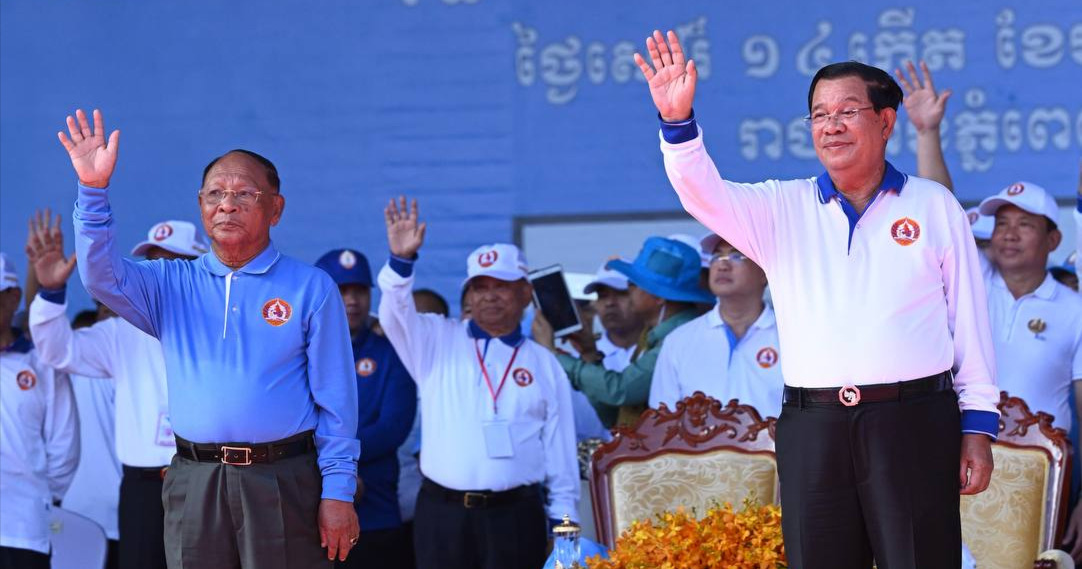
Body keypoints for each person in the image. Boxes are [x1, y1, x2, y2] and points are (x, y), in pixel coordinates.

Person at [635, 31, 997, 568]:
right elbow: (702, 195)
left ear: (886, 121)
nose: (831, 125)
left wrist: (978, 427)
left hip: (915, 420)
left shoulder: (930, 205)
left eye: (848, 110)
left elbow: (970, 320)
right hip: (814, 425)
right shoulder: (782, 206)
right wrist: (678, 124)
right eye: (819, 114)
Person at [57, 108, 360, 567]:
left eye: (244, 193)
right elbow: (101, 278)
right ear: (200, 205)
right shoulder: (171, 283)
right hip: (195, 478)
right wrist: (93, 191)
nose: (227, 204)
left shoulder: (309, 287)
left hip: (281, 477)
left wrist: (338, 491)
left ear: (275, 208)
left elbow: (337, 402)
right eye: (215, 193)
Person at [377, 197, 578, 569]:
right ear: (468, 294)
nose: (489, 294)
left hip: (517, 516)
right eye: (479, 286)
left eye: (501, 285)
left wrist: (564, 529)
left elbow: (561, 456)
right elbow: (394, 315)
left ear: (525, 293)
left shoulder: (545, 364)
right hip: (443, 515)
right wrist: (401, 262)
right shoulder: (435, 340)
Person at [27, 212, 207, 569]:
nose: (161, 272)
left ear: (198, 268)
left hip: (206, 478)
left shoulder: (222, 324)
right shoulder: (122, 332)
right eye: (153, 263)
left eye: (173, 263)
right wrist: (50, 292)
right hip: (143, 487)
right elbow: (57, 349)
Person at [535, 237, 712, 427]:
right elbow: (617, 419)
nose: (629, 288)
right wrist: (589, 354)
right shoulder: (652, 337)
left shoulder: (683, 335)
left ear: (659, 296)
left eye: (634, 283)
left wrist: (552, 354)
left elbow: (621, 391)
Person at [314, 248, 418, 568]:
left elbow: (393, 427)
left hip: (375, 513)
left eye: (359, 290)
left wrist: (338, 464)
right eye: (341, 291)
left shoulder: (391, 353)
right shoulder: (298, 351)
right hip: (309, 509)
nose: (352, 300)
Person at [974, 183, 1082, 432]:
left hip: (1041, 464)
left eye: (1024, 224)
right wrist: (927, 140)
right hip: (967, 458)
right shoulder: (971, 286)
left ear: (1053, 240)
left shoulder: (1074, 309)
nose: (1009, 234)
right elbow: (939, 214)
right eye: (1001, 223)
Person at [0, 252, 80, 569]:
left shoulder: (41, 363)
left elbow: (65, 447)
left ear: (12, 297)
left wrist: (38, 497)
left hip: (24, 531)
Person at [649, 235, 784, 419]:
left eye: (737, 256)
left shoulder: (791, 338)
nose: (722, 265)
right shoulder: (679, 340)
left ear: (764, 273)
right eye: (716, 257)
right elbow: (662, 420)